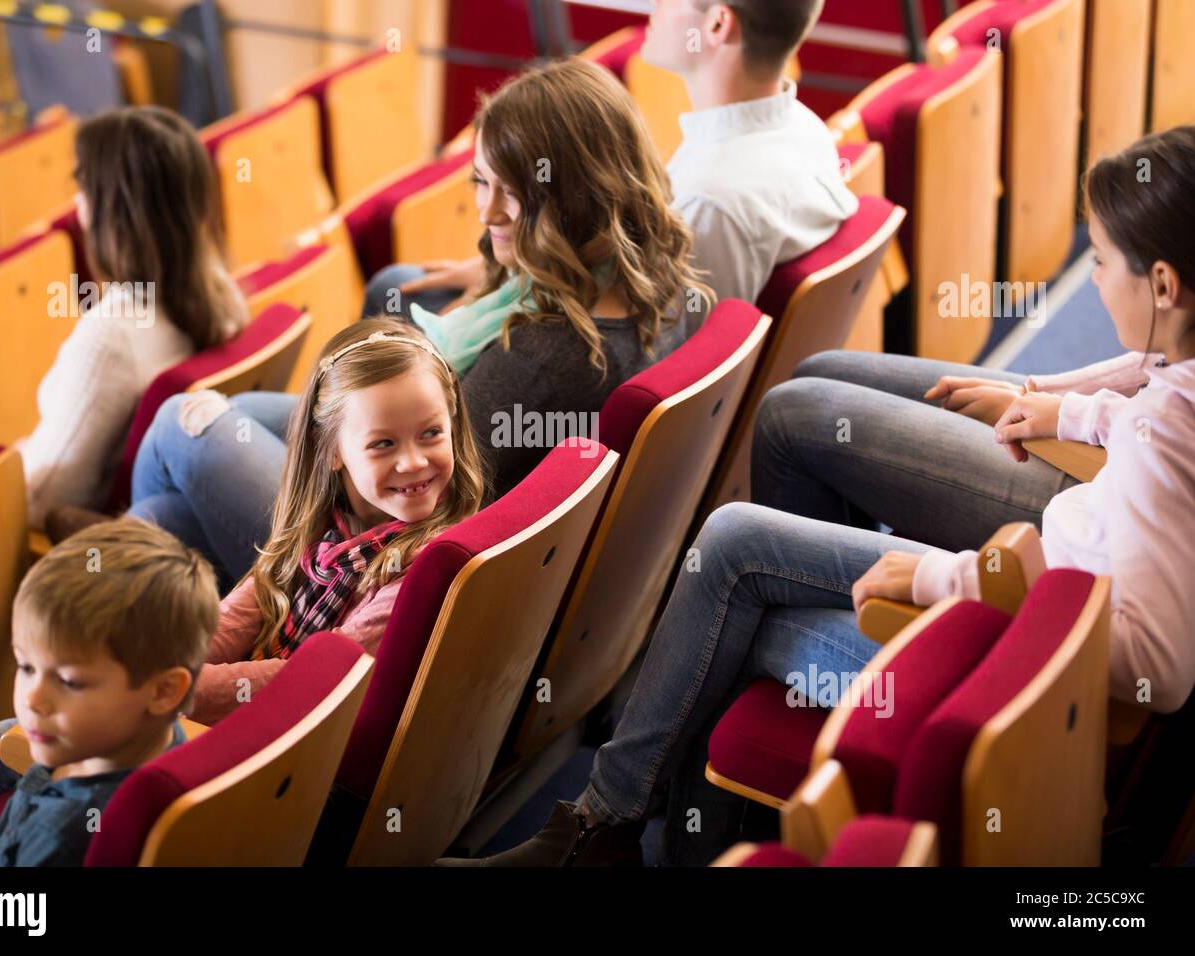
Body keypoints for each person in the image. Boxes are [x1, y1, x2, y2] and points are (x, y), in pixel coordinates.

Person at [440, 125, 1195, 866]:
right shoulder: (1169, 400)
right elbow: (1152, 387)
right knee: (729, 598)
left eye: (1100, 261)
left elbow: (1156, 670)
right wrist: (1066, 407)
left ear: (1163, 285)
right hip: (1025, 600)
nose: (1092, 278)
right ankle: (662, 830)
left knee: (728, 589)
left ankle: (610, 827)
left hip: (1010, 657)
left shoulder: (1162, 437)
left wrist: (946, 579)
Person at [124, 59, 708, 588]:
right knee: (183, 496)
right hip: (431, 516)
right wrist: (507, 269)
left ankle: (187, 598)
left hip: (370, 558)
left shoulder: (546, 359)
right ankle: (161, 568)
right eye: (483, 181)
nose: (487, 211)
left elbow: (401, 495)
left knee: (183, 420)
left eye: (515, 193)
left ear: (579, 196)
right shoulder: (658, 281)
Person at [382, 0, 855, 335]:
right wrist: (515, 267)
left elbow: (673, 352)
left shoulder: (709, 201)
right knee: (407, 282)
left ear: (716, 25)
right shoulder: (804, 128)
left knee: (393, 289)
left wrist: (493, 296)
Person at [0, 106, 248, 529]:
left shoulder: (112, 335)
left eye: (84, 189)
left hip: (41, 531)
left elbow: (39, 501)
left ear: (113, 210)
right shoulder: (217, 288)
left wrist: (13, 462)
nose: (77, 204)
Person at [188, 321, 485, 724]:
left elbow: (319, 679)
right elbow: (253, 600)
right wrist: (169, 663)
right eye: (384, 443)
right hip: (289, 712)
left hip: (320, 741)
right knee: (166, 512)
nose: (414, 462)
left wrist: (172, 691)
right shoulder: (329, 520)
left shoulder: (424, 564)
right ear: (330, 451)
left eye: (431, 433)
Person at [0, 519, 218, 866]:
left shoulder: (57, 840)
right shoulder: (157, 736)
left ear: (164, 691)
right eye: (26, 667)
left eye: (69, 682)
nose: (32, 699)